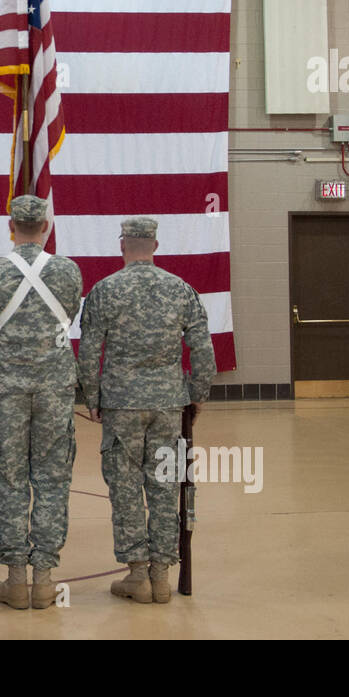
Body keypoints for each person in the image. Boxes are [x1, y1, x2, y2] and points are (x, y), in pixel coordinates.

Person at [76, 217, 216, 604]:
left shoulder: (104, 290)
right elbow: (203, 350)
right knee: (165, 486)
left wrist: (92, 397)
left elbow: (88, 351)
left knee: (125, 489)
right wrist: (198, 393)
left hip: (121, 404)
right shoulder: (181, 290)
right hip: (169, 404)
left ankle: (137, 574)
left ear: (123, 245)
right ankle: (161, 575)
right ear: (155, 245)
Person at [0, 194, 83, 610]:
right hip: (55, 387)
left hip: (6, 390)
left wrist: (1, 359)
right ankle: (45, 580)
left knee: (9, 479)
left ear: (10, 227)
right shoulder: (67, 272)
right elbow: (68, 314)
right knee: (51, 478)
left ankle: (14, 580)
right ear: (45, 227)